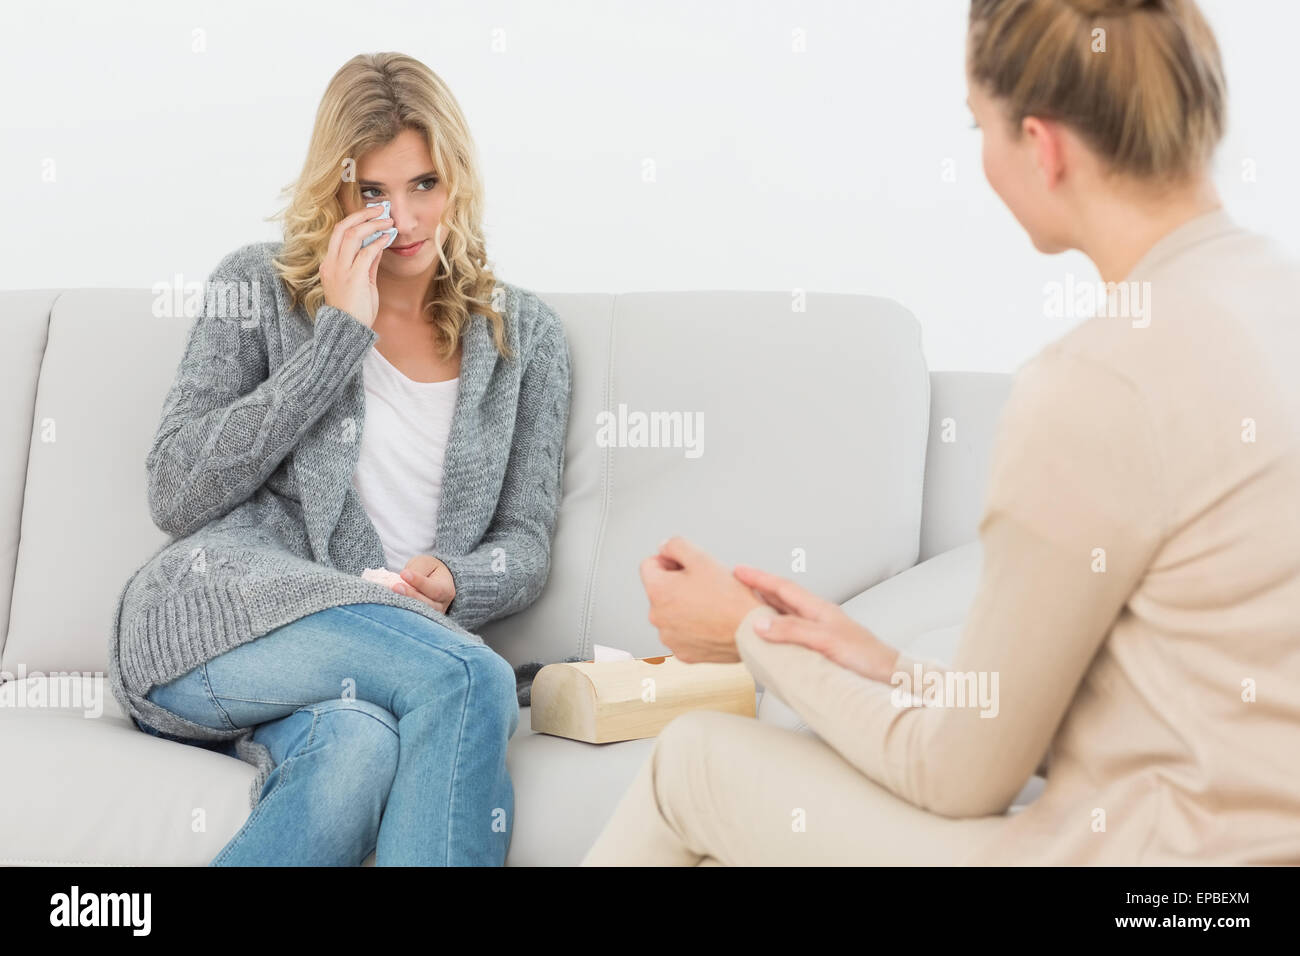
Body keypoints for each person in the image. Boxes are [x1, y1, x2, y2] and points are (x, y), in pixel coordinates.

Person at [582, 0, 1300, 865]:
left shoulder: (1093, 385)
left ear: (1042, 147)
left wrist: (749, 638)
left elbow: (962, 778)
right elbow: (1127, 700)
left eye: (978, 126)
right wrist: (879, 664)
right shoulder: (1274, 304)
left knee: (692, 765)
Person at [107, 52, 573, 866]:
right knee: (469, 678)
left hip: (363, 667)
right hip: (212, 622)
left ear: (458, 179)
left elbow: (526, 539)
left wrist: (462, 581)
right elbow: (175, 491)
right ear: (336, 190)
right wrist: (336, 340)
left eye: (424, 184)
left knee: (359, 748)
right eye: (373, 193)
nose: (404, 219)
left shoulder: (521, 338)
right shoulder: (258, 288)